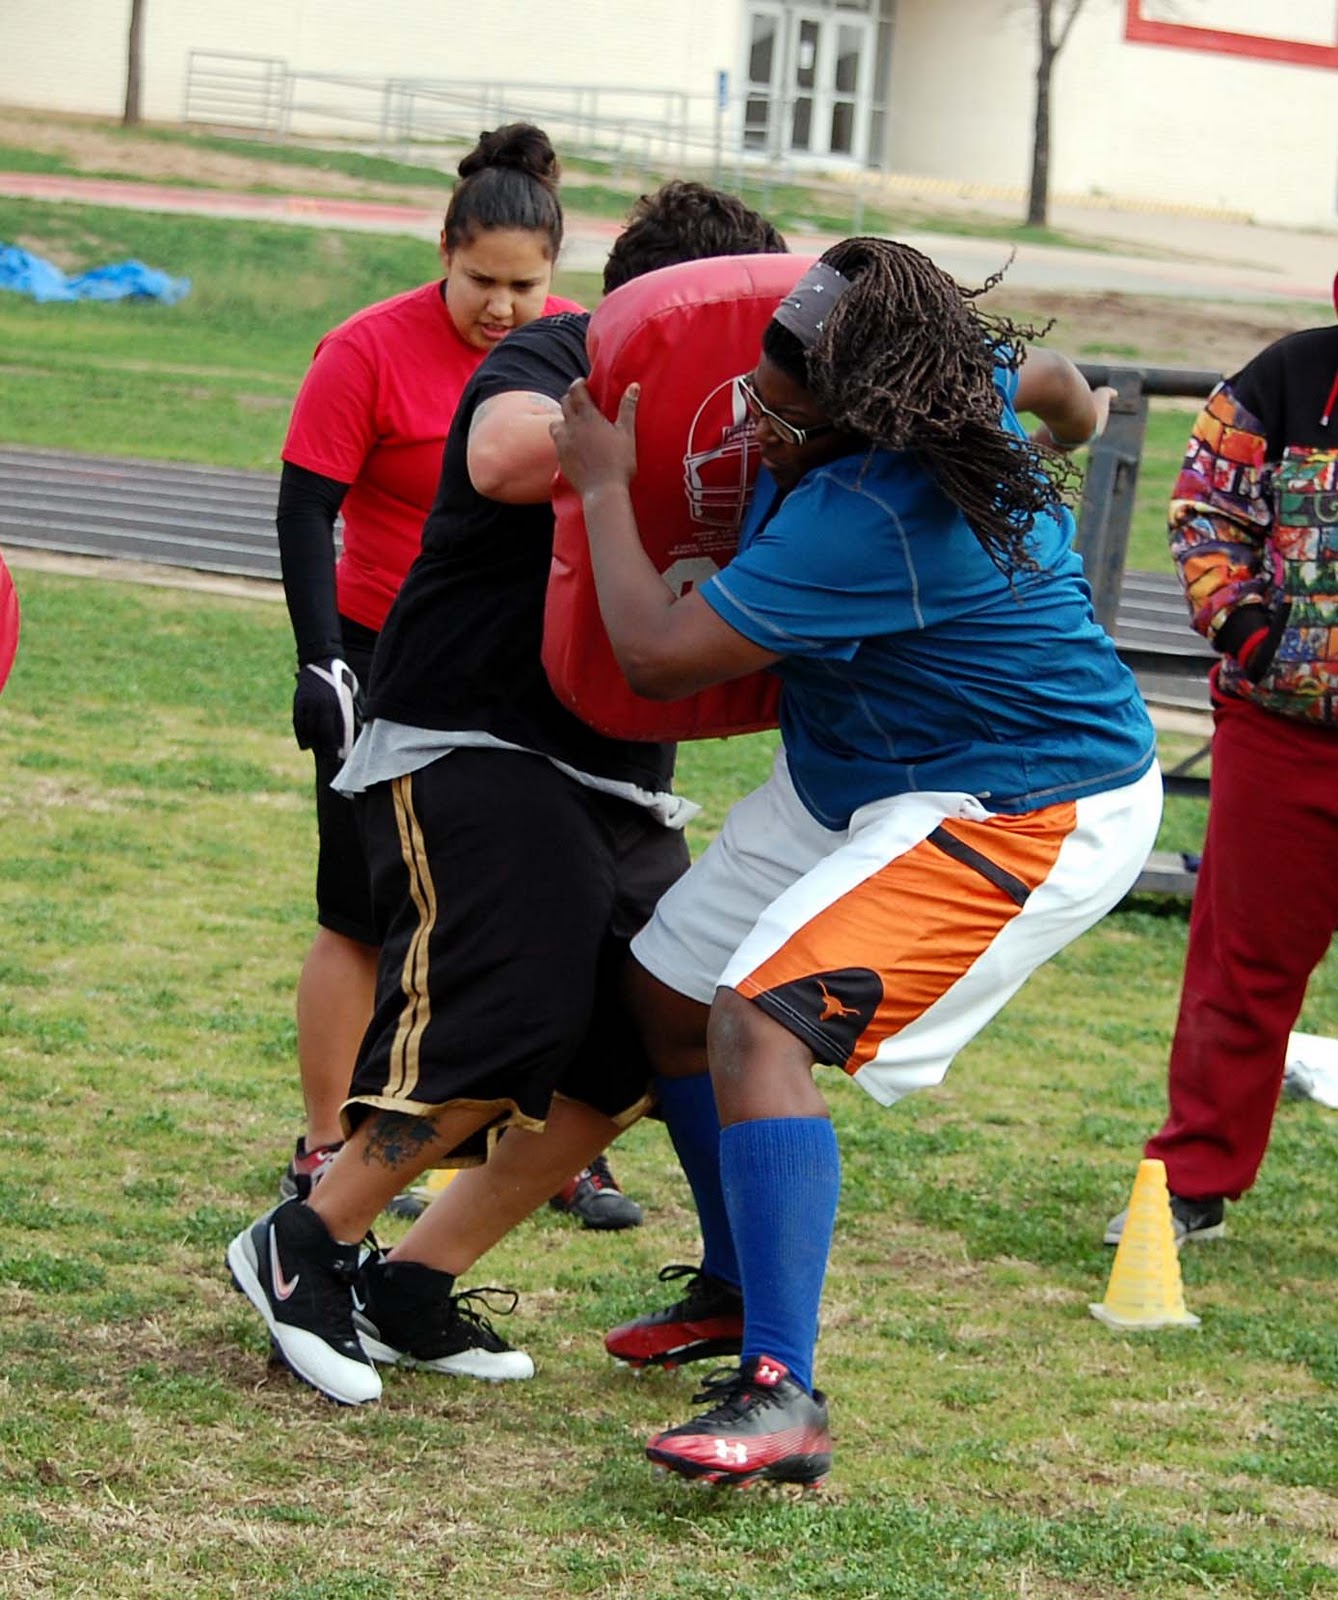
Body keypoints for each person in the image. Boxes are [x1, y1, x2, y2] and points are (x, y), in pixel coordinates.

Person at [548, 237, 1164, 1487]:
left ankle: (783, 1395)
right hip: (862, 770)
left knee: (760, 1023)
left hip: (1021, 798)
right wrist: (1077, 422)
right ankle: (734, 1285)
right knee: (667, 998)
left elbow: (658, 659)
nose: (755, 413)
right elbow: (1052, 380)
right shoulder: (942, 389)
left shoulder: (875, 507)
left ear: (868, 413)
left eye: (785, 399)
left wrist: (606, 487)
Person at [226, 182, 789, 1405]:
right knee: (513, 997)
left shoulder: (763, 410)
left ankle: (413, 1281)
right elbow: (495, 453)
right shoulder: (562, 350)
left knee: (636, 1038)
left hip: (623, 768)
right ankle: (304, 1242)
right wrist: (616, 445)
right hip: (471, 731)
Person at [271, 121, 637, 1227]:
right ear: (443, 248)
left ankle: (547, 1146)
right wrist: (320, 659)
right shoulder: (367, 349)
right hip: (391, 657)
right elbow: (305, 505)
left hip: (531, 665)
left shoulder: (577, 346)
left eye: (527, 285)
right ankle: (326, 1141)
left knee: (552, 912)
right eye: (482, 280)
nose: (503, 307)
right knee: (362, 909)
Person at [1104, 282, 1338, 1250]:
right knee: (1237, 972)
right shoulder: (1285, 380)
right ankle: (1192, 1180)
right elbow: (1204, 507)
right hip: (1283, 736)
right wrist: (1253, 636)